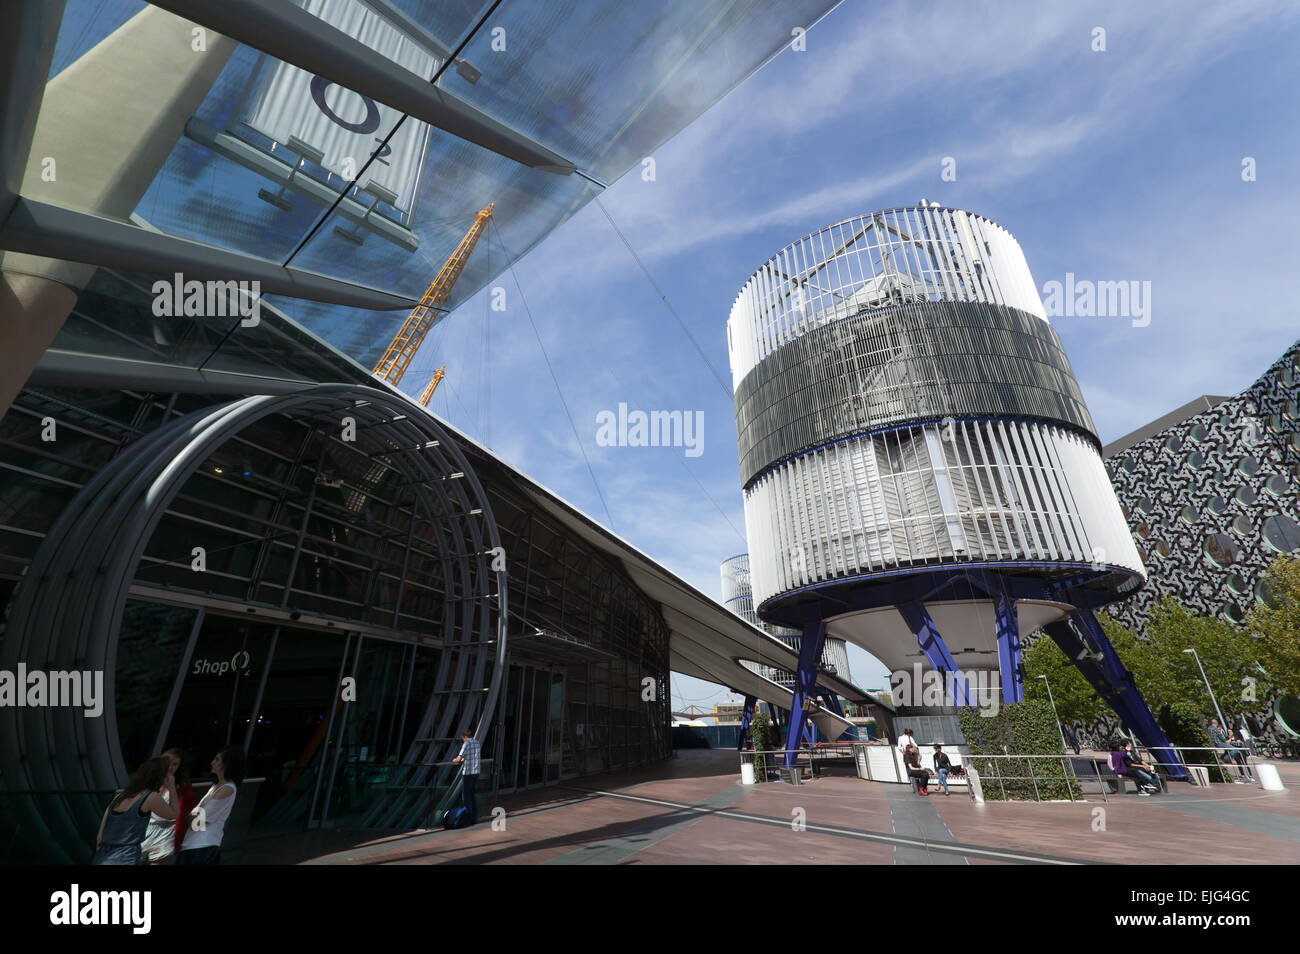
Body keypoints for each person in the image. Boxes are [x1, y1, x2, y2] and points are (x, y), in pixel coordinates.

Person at [93, 757, 177, 865]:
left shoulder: (119, 797)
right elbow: (173, 813)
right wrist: (172, 787)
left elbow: (100, 836)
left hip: (103, 856)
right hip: (126, 857)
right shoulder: (150, 797)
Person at [177, 745, 244, 864]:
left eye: (217, 760)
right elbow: (196, 816)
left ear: (226, 764)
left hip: (203, 847)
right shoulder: (216, 786)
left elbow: (196, 823)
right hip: (195, 845)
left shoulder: (227, 789)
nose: (212, 762)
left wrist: (191, 814)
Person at [140, 748, 191, 865]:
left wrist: (197, 828)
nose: (171, 767)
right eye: (168, 763)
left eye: (175, 764)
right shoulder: (150, 782)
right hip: (146, 830)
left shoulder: (182, 785)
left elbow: (188, 809)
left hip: (166, 834)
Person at [452, 730, 481, 825]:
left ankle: (468, 818)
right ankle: (474, 818)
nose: (463, 741)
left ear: (464, 737)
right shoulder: (477, 743)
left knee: (466, 796)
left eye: (462, 739)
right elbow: (472, 756)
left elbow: (459, 758)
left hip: (468, 773)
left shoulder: (466, 744)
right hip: (476, 772)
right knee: (472, 795)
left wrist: (455, 760)